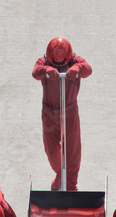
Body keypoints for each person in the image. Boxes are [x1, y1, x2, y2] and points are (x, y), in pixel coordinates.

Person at [32, 37, 92, 191]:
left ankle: (71, 187)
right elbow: (35, 72)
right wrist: (46, 70)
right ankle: (60, 173)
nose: (58, 66)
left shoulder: (75, 59)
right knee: (51, 149)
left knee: (72, 152)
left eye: (62, 63)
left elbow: (88, 69)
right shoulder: (43, 61)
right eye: (54, 63)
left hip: (69, 113)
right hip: (49, 113)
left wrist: (78, 68)